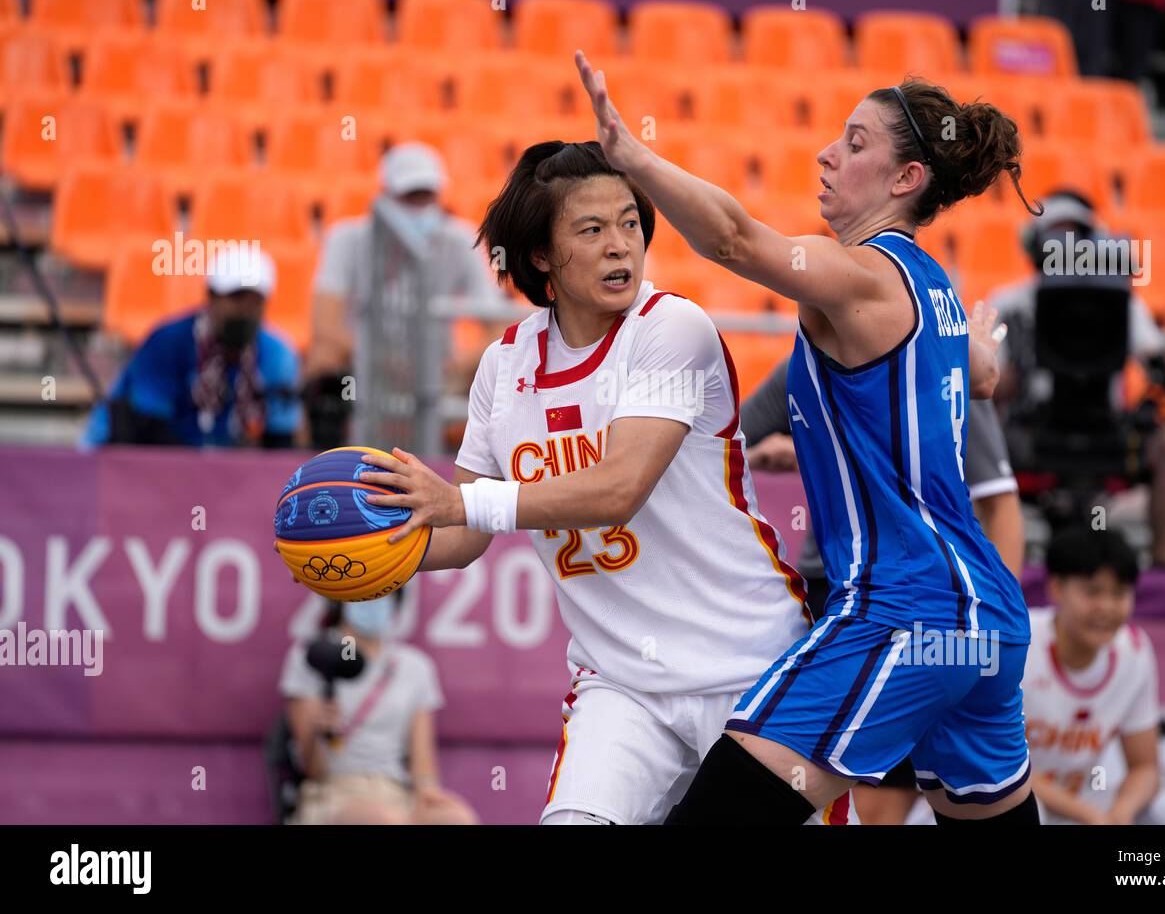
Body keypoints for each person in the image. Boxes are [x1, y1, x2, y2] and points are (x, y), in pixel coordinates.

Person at [574, 52, 1040, 824]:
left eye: (855, 143)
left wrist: (628, 155)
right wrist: (978, 350)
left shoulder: (861, 275)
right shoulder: (933, 288)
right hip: (985, 618)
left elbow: (730, 238)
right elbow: (983, 374)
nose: (827, 154)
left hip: (905, 611)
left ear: (905, 180)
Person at [351, 141, 812, 825]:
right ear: (541, 256)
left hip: (750, 668)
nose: (620, 246)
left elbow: (617, 488)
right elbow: (465, 531)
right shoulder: (504, 364)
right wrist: (364, 557)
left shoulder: (672, 328)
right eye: (592, 230)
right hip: (621, 681)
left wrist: (457, 500)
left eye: (630, 224)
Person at [744, 358, 1026, 824]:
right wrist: (802, 450)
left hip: (924, 609)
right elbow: (727, 450)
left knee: (883, 801)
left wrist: (992, 637)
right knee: (840, 796)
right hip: (831, 594)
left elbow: (1001, 503)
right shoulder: (806, 361)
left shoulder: (938, 367)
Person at [990, 190, 1165, 570]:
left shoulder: (1121, 303)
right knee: (974, 444)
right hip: (1032, 429)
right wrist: (1012, 376)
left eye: (1075, 239)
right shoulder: (1008, 302)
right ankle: (988, 568)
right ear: (1036, 246)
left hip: (1107, 429)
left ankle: (1163, 570)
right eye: (1056, 239)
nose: (1066, 249)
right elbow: (988, 383)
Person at [303, 142, 502, 451]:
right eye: (410, 197)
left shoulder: (460, 240)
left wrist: (458, 366)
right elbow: (325, 325)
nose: (419, 207)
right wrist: (383, 361)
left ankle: (482, 467)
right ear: (386, 195)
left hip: (439, 371)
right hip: (363, 366)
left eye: (426, 196)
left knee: (501, 364)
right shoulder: (347, 239)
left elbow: (498, 327)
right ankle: (316, 459)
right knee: (323, 358)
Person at [1023, 525, 1165, 824]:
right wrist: (1088, 815)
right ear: (1056, 588)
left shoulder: (1134, 650)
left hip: (1084, 802)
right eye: (1092, 592)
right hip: (1006, 799)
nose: (1106, 607)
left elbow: (1145, 768)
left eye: (1119, 593)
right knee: (1031, 812)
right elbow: (994, 767)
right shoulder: (1018, 643)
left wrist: (1122, 810)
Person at [278, 591, 478, 825]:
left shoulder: (415, 667)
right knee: (384, 820)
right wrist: (318, 731)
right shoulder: (313, 658)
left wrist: (429, 794)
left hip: (396, 792)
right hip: (333, 793)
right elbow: (314, 770)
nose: (373, 601)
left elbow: (423, 765)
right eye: (364, 592)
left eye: (383, 591)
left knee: (458, 819)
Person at [82, 246, 300, 449]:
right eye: (236, 298)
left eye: (255, 301)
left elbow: (279, 437)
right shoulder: (168, 341)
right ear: (212, 297)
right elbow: (147, 424)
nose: (245, 310)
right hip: (137, 457)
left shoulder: (277, 355)